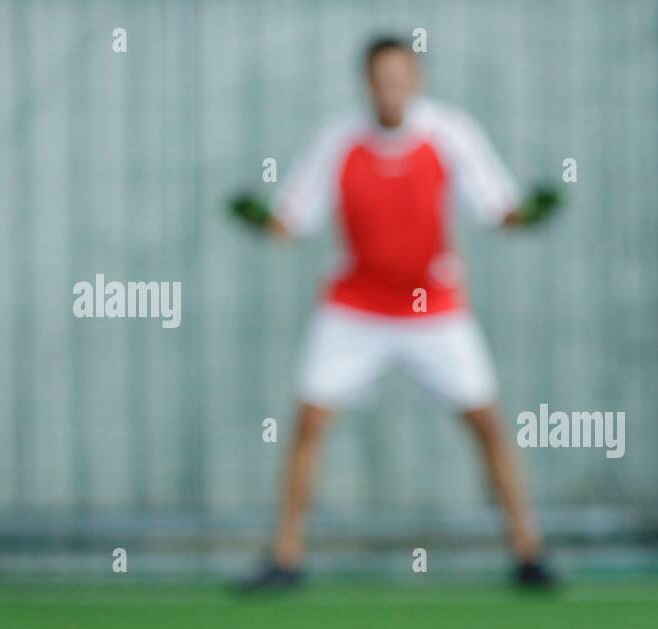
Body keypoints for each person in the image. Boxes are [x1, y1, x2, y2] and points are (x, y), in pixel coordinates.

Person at [230, 37, 562, 592]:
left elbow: (498, 208)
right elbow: (293, 220)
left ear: (417, 80)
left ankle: (528, 552)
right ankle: (286, 557)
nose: (391, 87)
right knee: (309, 422)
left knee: (486, 424)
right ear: (367, 83)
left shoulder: (451, 133)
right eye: (381, 78)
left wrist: (531, 214)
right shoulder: (336, 140)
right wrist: (257, 217)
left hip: (434, 308)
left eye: (401, 76)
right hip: (354, 307)